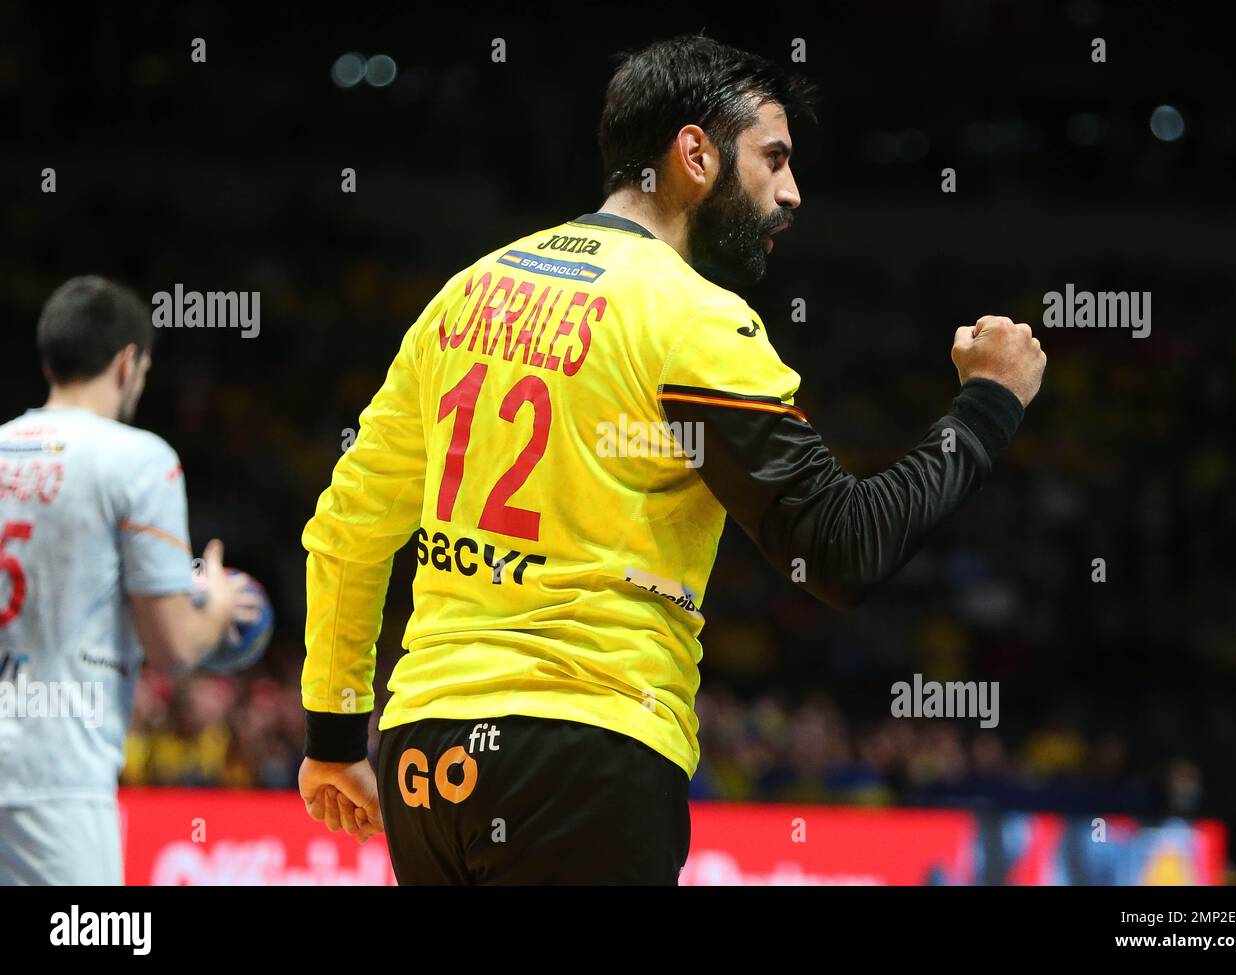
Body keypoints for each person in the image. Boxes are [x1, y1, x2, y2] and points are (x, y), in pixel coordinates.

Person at [298, 34, 1046, 884]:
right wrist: (990, 405)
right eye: (773, 159)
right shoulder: (689, 317)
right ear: (695, 154)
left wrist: (330, 738)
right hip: (587, 749)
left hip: (424, 753)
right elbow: (841, 550)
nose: (792, 192)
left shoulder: (464, 294)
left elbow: (348, 528)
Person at [0, 275, 257, 884]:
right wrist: (217, 607)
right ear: (126, 363)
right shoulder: (139, 460)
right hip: (56, 778)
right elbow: (172, 646)